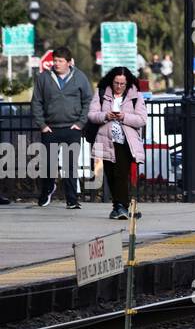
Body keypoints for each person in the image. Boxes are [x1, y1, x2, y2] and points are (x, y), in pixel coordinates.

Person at [31, 46, 92, 209]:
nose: (56, 64)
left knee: (70, 165)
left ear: (68, 62)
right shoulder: (44, 78)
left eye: (60, 61)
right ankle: (47, 191)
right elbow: (36, 102)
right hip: (50, 128)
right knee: (49, 165)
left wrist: (80, 123)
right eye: (55, 60)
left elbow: (87, 101)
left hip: (72, 128)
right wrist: (42, 125)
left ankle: (72, 199)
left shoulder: (80, 77)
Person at [88, 67, 146, 220]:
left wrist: (123, 117)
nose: (119, 86)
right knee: (110, 175)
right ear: (111, 81)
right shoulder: (101, 93)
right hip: (105, 140)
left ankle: (121, 206)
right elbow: (92, 115)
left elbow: (141, 119)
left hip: (125, 142)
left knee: (121, 174)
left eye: (122, 84)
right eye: (116, 83)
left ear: (127, 83)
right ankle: (119, 207)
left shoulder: (136, 96)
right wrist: (105, 115)